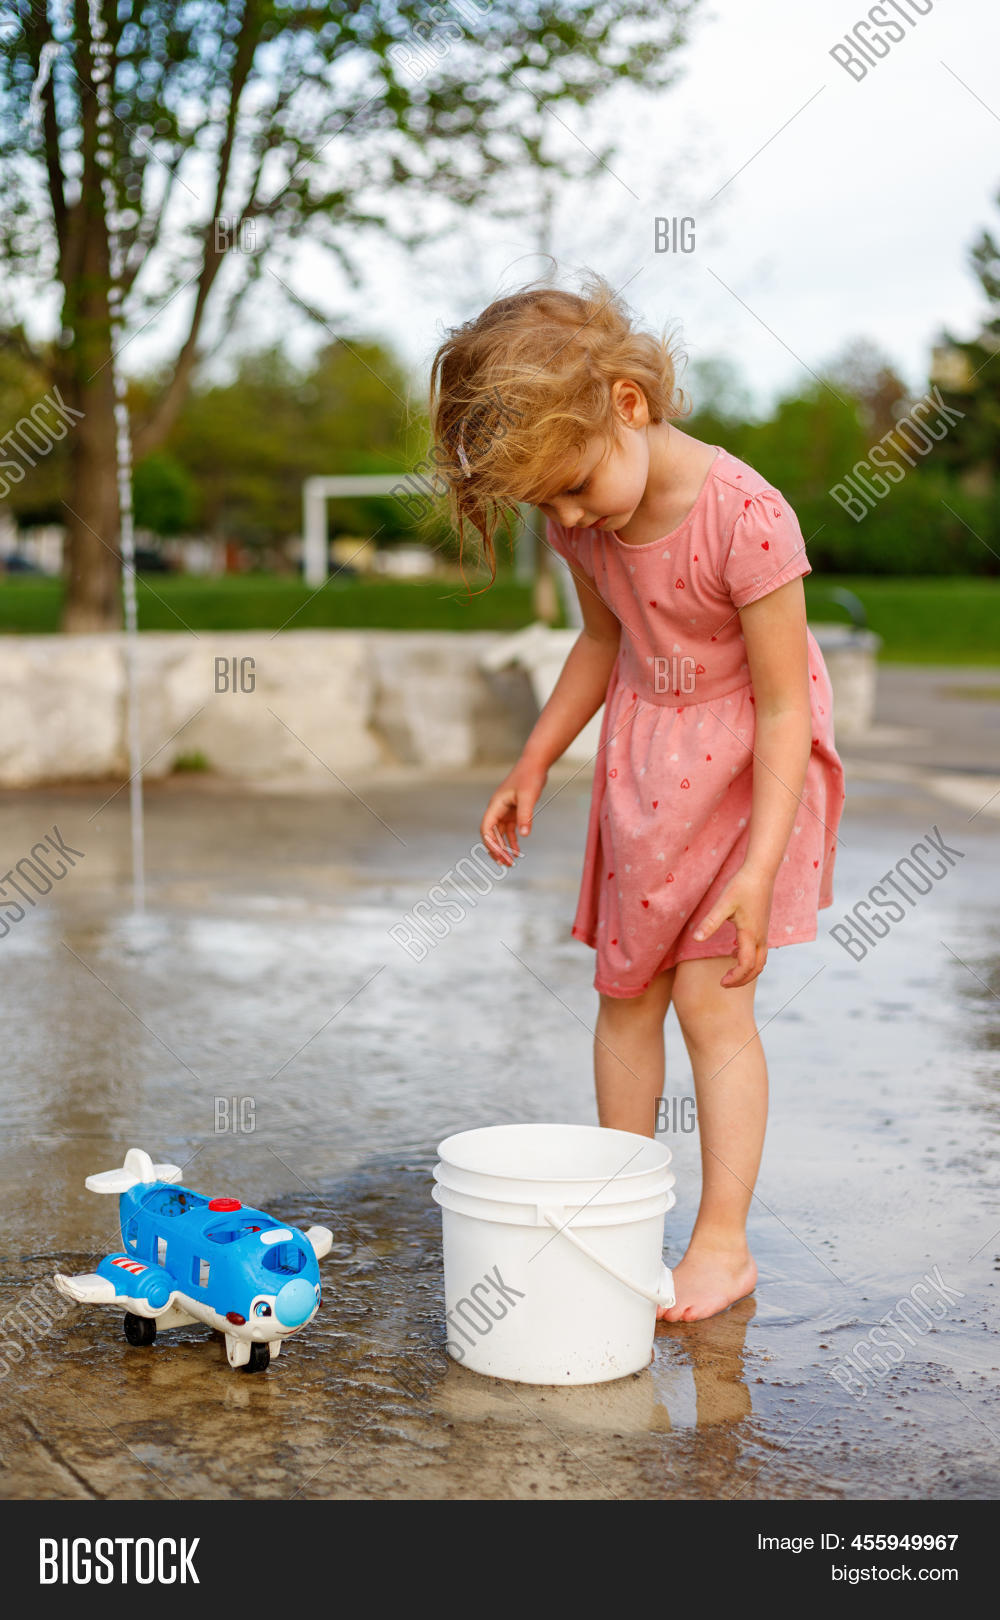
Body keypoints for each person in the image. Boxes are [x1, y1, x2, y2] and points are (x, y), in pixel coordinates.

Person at [428, 274, 845, 1322]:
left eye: (571, 489)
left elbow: (788, 709)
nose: (568, 519)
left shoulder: (744, 518)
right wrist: (533, 761)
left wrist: (757, 871)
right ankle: (627, 1218)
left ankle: (721, 1241)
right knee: (625, 999)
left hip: (752, 770)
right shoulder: (583, 519)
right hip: (646, 769)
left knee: (713, 1002)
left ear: (627, 402)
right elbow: (603, 639)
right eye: (547, 508)